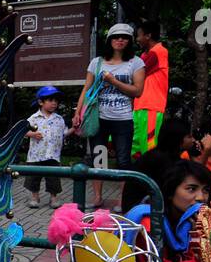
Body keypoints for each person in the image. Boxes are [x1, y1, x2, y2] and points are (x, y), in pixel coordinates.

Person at [72, 23, 145, 208]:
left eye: (124, 37)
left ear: (129, 41)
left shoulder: (135, 62)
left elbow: (137, 91)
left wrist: (113, 81)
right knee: (99, 158)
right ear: (109, 40)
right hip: (99, 118)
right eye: (116, 36)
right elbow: (86, 89)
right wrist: (77, 112)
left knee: (123, 160)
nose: (119, 40)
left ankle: (123, 199)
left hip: (123, 118)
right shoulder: (97, 62)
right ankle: (97, 197)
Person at [121, 118, 196, 211]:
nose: (193, 140)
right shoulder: (161, 160)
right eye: (189, 136)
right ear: (178, 139)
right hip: (138, 209)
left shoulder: (165, 156)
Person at [23, 86, 66, 207]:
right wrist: (32, 134)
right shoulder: (33, 118)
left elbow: (64, 133)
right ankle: (34, 197)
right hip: (36, 155)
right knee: (33, 178)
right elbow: (23, 131)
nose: (54, 103)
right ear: (41, 102)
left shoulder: (59, 119)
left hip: (52, 155)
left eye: (56, 101)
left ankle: (53, 198)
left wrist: (75, 129)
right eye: (51, 100)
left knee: (53, 178)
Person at [132, 20, 169, 158]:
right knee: (134, 148)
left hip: (151, 107)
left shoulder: (159, 52)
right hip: (139, 106)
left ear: (148, 36)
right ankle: (137, 177)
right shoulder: (144, 55)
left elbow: (136, 73)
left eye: (139, 35)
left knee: (149, 147)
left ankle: (152, 178)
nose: (137, 39)